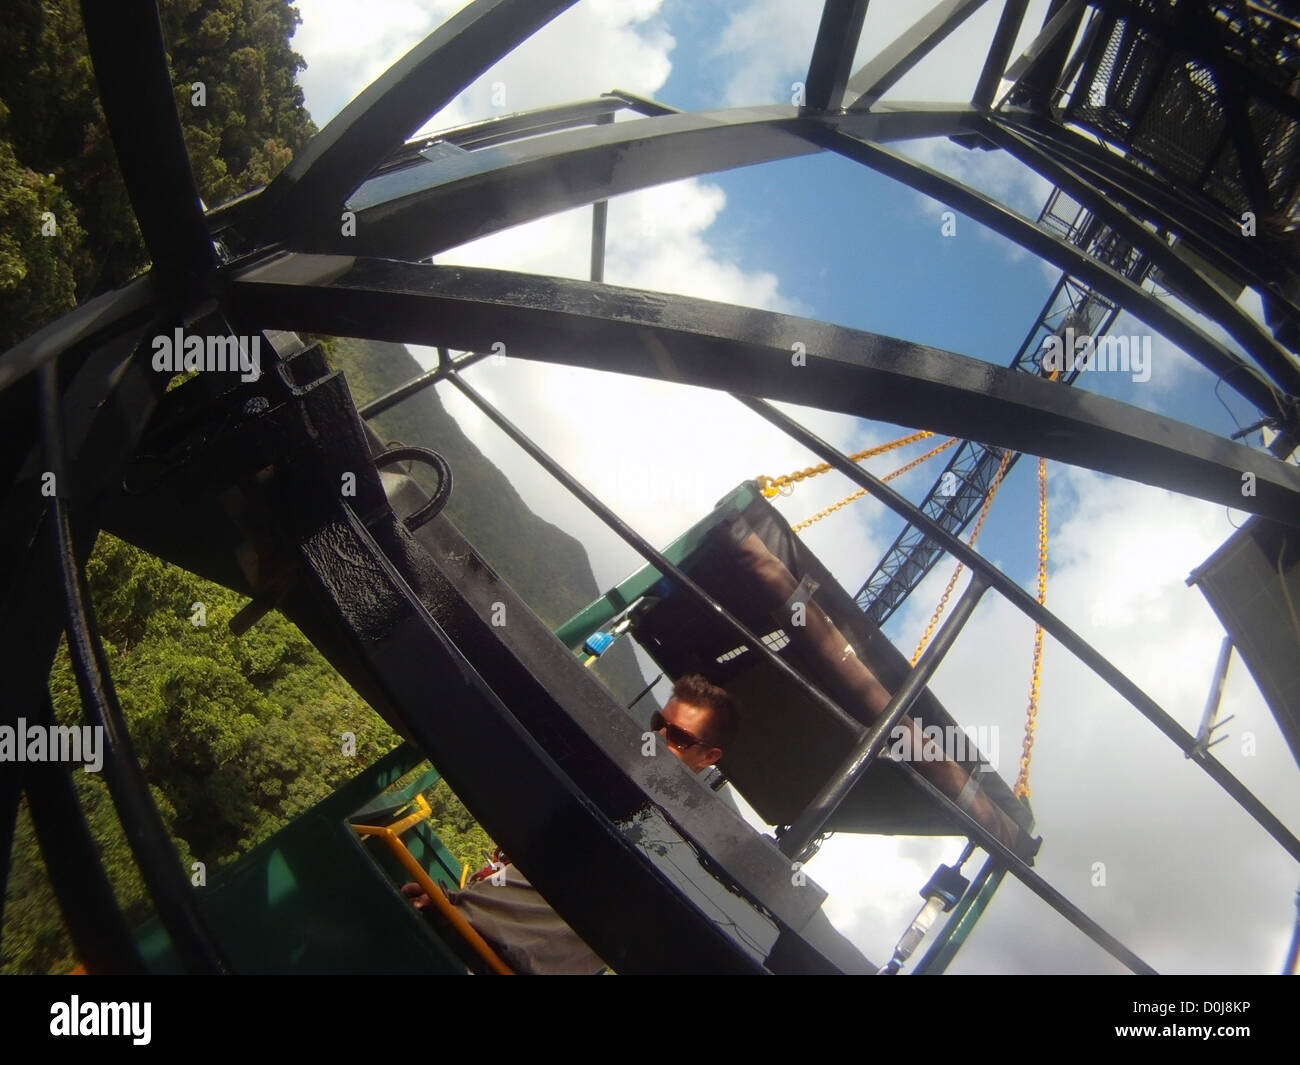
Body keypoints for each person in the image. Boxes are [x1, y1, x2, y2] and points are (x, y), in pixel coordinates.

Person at [402, 673, 740, 974]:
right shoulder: (608, 790)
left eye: (679, 738)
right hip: (461, 924)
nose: (659, 740)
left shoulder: (676, 844)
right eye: (658, 725)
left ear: (709, 757)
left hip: (489, 955)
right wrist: (450, 902)